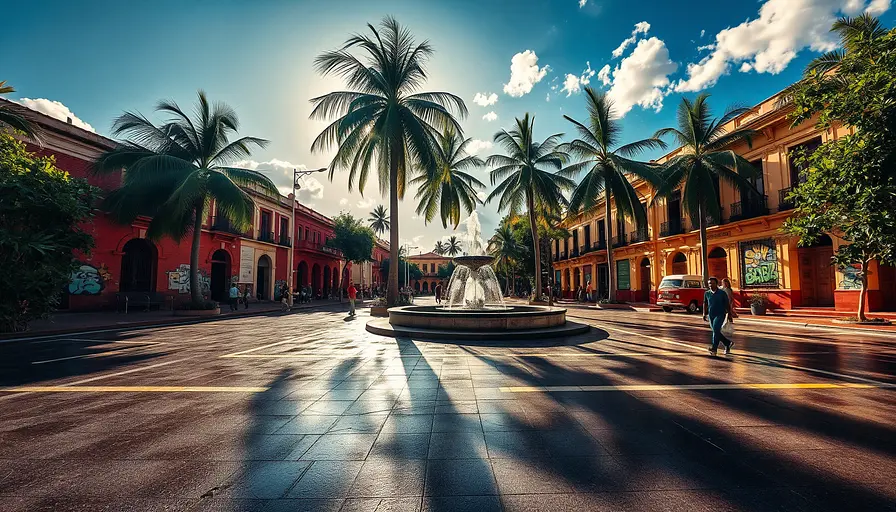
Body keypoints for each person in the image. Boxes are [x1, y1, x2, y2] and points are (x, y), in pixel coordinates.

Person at [703, 277, 733, 356]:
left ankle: (714, 348)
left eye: (712, 283)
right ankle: (727, 343)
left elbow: (727, 304)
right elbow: (705, 303)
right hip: (711, 315)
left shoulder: (722, 293)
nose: (711, 285)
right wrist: (704, 314)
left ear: (716, 284)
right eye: (709, 283)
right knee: (715, 331)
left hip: (720, 314)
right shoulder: (707, 293)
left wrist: (730, 314)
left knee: (716, 329)